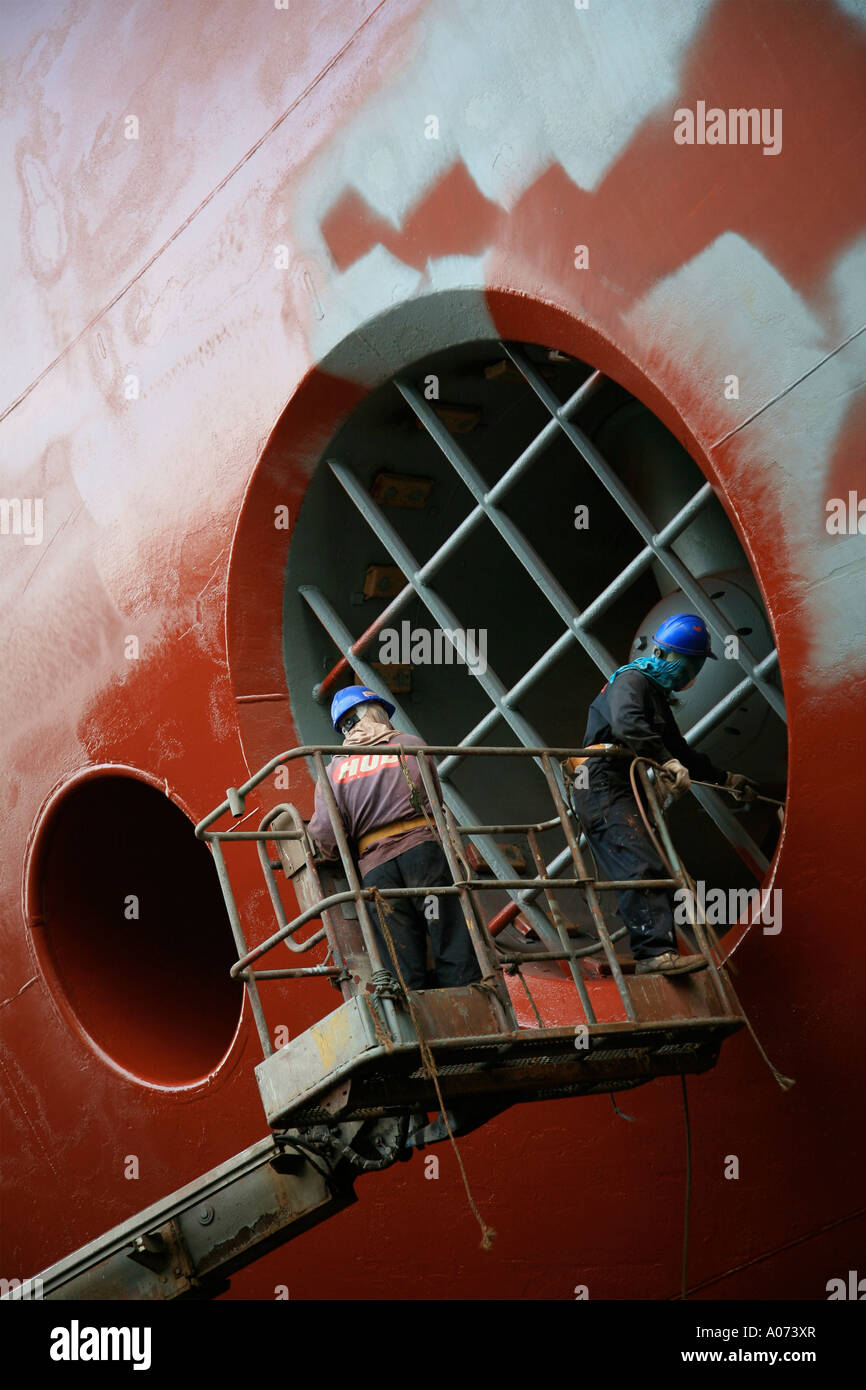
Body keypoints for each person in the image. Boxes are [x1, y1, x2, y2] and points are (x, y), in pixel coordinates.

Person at [569, 614, 758, 976]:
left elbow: (679, 750)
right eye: (686, 663)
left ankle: (660, 951)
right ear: (661, 652)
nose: (689, 674)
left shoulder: (654, 694)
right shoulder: (631, 680)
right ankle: (654, 955)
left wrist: (725, 778)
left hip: (623, 783)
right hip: (602, 782)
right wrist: (666, 762)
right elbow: (627, 723)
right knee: (640, 863)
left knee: (653, 865)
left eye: (695, 666)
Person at [306, 685, 482, 990]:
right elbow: (434, 803)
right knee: (448, 933)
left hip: (377, 871)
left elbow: (326, 837)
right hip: (423, 857)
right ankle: (469, 1003)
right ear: (375, 712)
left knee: (399, 951)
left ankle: (415, 1019)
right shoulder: (409, 745)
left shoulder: (333, 770)